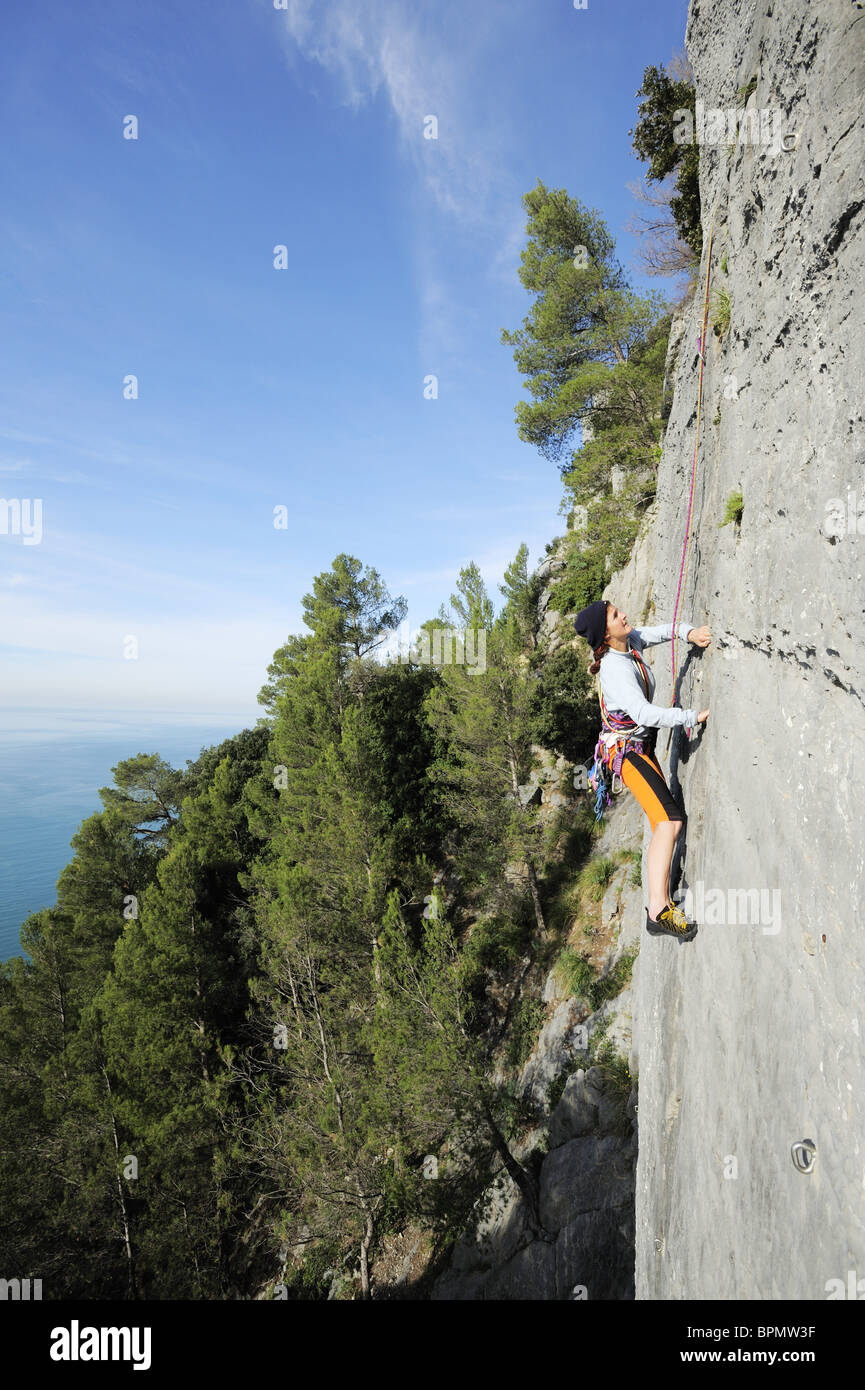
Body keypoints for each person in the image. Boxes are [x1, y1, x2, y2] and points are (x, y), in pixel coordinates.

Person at [574, 598, 710, 941]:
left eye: (619, 609)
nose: (624, 614)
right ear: (606, 633)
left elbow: (659, 632)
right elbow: (645, 714)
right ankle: (657, 910)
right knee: (669, 821)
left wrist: (687, 632)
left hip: (639, 747)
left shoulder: (629, 641)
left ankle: (660, 897)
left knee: (663, 819)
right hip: (627, 754)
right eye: (616, 615)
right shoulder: (614, 669)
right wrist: (688, 717)